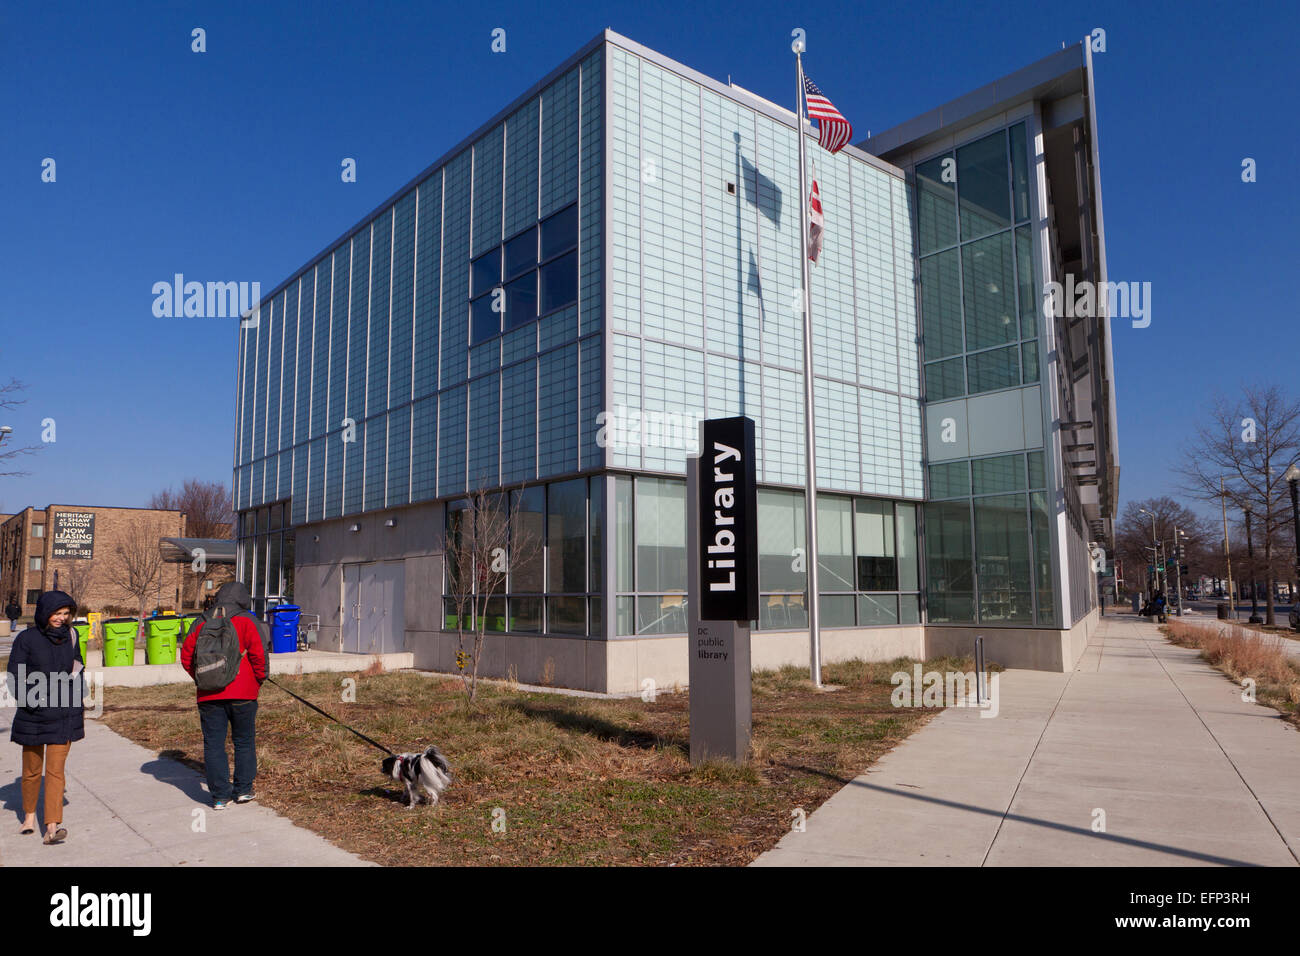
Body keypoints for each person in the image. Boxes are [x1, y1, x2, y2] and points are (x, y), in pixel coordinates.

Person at [5, 590, 84, 844]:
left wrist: (77, 694)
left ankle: (52, 826)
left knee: (55, 772)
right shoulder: (26, 639)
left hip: (64, 712)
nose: (62, 618)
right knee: (31, 770)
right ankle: (29, 817)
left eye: (66, 614)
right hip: (34, 714)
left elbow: (78, 665)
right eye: (57, 614)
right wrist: (31, 700)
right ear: (44, 613)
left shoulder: (72, 635)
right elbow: (15, 675)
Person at [179, 581, 267, 809]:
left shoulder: (202, 620)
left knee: (214, 744)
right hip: (244, 693)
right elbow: (259, 654)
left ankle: (219, 796)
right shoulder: (247, 620)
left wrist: (202, 679)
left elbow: (187, 656)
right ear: (243, 599)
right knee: (244, 741)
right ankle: (243, 790)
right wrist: (257, 680)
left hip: (208, 694)